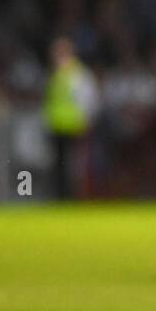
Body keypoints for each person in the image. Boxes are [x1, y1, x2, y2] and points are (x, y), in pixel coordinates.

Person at [44, 37, 97, 200]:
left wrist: (87, 120)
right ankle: (59, 197)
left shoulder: (77, 74)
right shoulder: (56, 74)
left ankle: (73, 197)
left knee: (74, 167)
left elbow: (88, 98)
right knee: (58, 166)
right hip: (56, 126)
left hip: (74, 126)